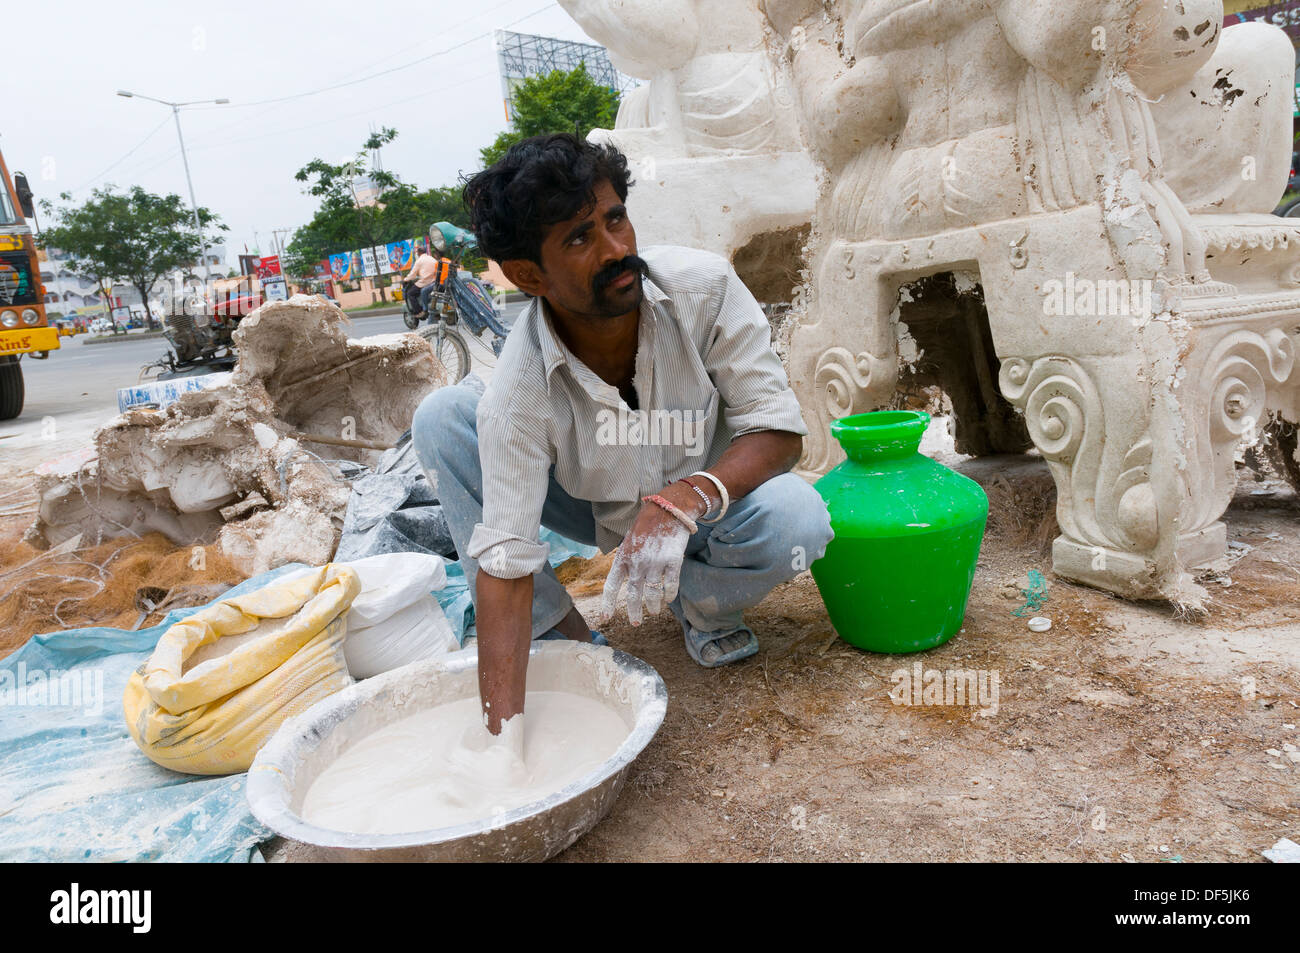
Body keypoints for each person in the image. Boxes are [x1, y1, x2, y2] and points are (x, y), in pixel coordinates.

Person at [412, 133, 833, 733]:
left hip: (713, 504)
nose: (615, 249)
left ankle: (702, 605)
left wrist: (683, 499)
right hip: (594, 510)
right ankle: (574, 642)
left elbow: (779, 432)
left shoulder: (706, 291)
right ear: (529, 274)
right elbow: (504, 563)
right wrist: (499, 743)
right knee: (441, 416)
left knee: (798, 517)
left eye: (616, 220)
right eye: (580, 239)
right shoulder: (516, 394)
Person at [405, 241, 439, 316]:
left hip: (425, 282)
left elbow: (412, 274)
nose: (417, 254)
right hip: (434, 281)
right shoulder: (432, 259)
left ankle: (418, 311)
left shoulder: (419, 261)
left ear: (419, 253)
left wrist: (405, 279)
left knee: (410, 293)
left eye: (417, 252)